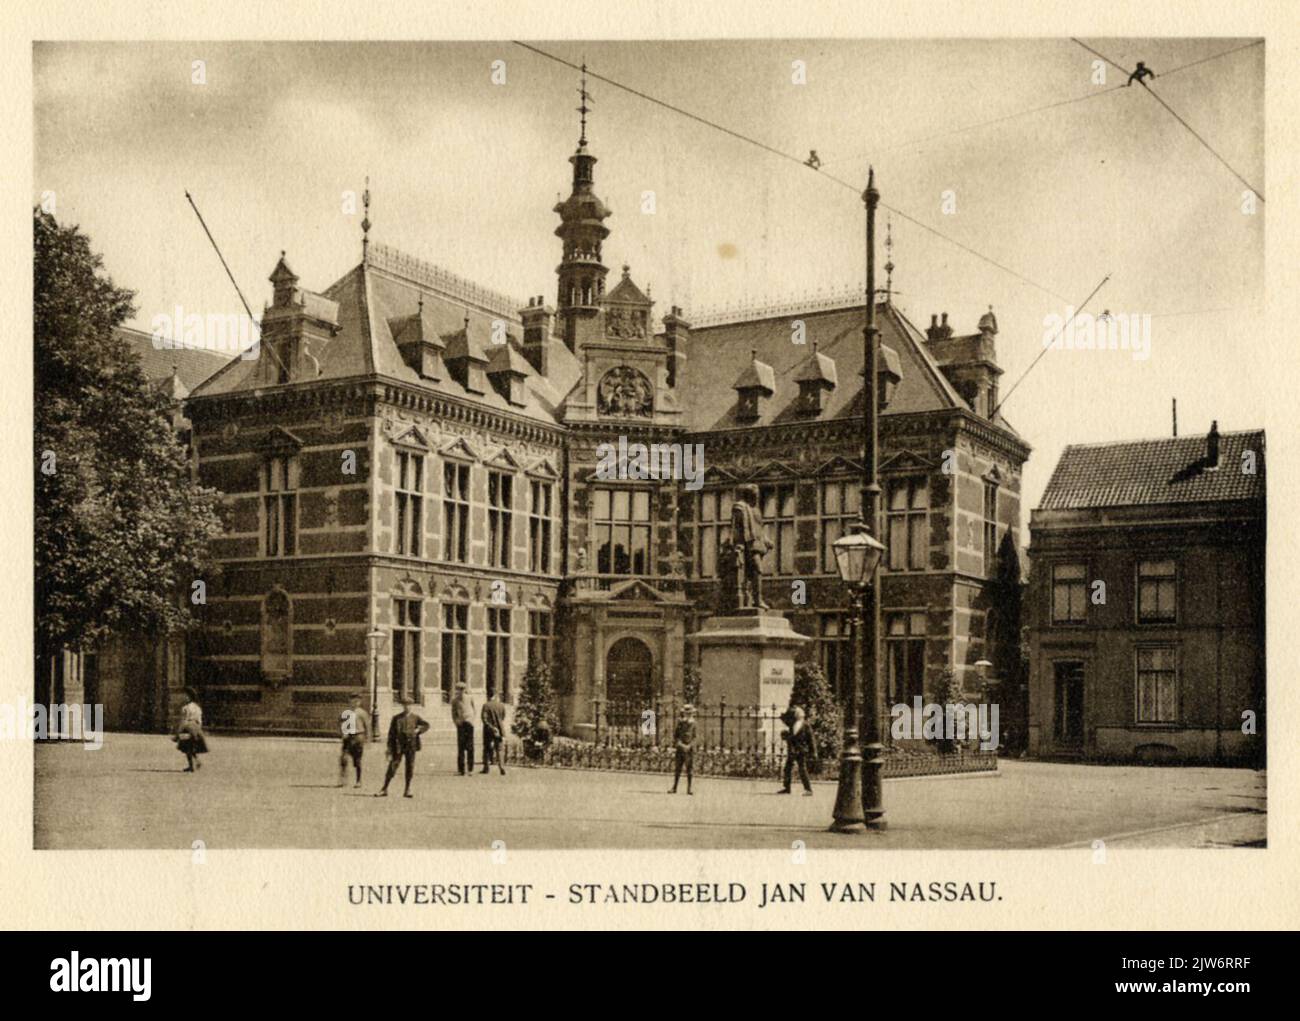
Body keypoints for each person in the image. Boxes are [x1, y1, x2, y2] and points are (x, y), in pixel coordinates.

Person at [376, 696, 429, 799]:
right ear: (402, 706)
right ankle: (384, 788)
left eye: (409, 705)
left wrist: (418, 731)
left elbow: (426, 725)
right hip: (399, 745)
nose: (407, 707)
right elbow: (391, 734)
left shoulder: (415, 717)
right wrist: (389, 748)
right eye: (405, 705)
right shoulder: (396, 718)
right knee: (393, 766)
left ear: (412, 706)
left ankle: (407, 789)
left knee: (410, 767)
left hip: (411, 745)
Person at [730, 484, 772, 610]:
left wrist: (766, 540)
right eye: (755, 494)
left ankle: (753, 598)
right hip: (747, 545)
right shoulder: (740, 508)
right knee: (758, 570)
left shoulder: (755, 510)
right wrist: (738, 544)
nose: (757, 497)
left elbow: (759, 529)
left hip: (757, 546)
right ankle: (757, 600)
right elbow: (736, 528)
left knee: (753, 573)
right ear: (749, 494)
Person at [778, 705, 816, 796]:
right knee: (787, 768)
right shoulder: (792, 724)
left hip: (800, 750)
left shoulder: (805, 725)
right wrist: (786, 736)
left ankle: (808, 789)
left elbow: (811, 739)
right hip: (792, 750)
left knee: (802, 769)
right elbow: (791, 735)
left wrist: (813, 751)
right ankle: (787, 788)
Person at [172, 687, 209, 773]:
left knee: (187, 747)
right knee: (191, 747)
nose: (183, 697)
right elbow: (200, 721)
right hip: (196, 728)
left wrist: (178, 733)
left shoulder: (185, 708)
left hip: (187, 728)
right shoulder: (197, 708)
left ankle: (191, 766)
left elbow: (183, 720)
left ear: (188, 697)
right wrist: (198, 729)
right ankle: (196, 762)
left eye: (185, 696)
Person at [338, 692, 369, 788]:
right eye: (353, 700)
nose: (355, 703)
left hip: (358, 737)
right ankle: (343, 780)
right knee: (344, 758)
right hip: (348, 737)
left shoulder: (362, 713)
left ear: (359, 702)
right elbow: (341, 724)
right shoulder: (345, 713)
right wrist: (343, 733)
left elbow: (367, 726)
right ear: (349, 701)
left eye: (357, 701)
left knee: (357, 761)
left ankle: (358, 780)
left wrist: (367, 739)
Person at [669, 704, 697, 795]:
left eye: (690, 713)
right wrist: (680, 744)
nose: (688, 715)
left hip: (689, 749)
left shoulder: (694, 723)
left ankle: (689, 789)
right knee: (678, 768)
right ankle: (674, 787)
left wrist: (689, 746)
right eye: (686, 713)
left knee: (690, 769)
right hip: (680, 748)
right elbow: (676, 736)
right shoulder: (680, 723)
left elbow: (695, 737)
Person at [451, 682, 477, 775]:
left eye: (462, 689)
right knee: (461, 747)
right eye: (459, 689)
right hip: (461, 724)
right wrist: (456, 722)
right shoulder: (455, 700)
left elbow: (474, 710)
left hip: (469, 723)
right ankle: (461, 770)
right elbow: (453, 713)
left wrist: (472, 719)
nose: (461, 691)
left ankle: (470, 769)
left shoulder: (470, 698)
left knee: (470, 747)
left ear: (465, 690)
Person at [480, 692, 507, 775]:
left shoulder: (486, 705)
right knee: (500, 749)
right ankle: (501, 767)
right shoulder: (501, 705)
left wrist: (491, 727)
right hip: (499, 729)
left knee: (487, 749)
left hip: (489, 730)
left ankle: (486, 768)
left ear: (488, 696)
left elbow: (484, 719)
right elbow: (503, 717)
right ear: (496, 696)